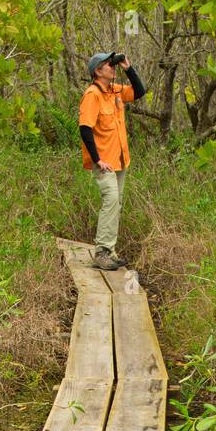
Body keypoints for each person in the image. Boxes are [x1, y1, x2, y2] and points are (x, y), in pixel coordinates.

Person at [79, 52, 146, 270]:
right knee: (110, 200)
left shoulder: (114, 91)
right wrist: (97, 160)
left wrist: (128, 67)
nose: (112, 67)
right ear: (97, 71)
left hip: (120, 160)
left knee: (116, 204)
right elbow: (85, 128)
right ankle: (102, 252)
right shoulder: (92, 94)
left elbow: (139, 92)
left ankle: (110, 251)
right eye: (109, 65)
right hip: (104, 162)